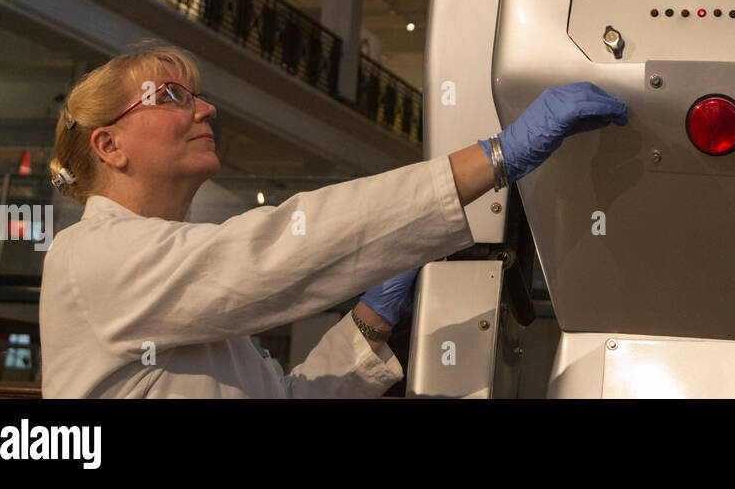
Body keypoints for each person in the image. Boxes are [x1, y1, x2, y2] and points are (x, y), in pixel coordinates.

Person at [39, 45, 627, 398]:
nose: (207, 108)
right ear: (109, 145)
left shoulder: (179, 287)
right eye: (171, 96)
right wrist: (493, 158)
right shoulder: (89, 258)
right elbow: (272, 255)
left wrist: (370, 321)